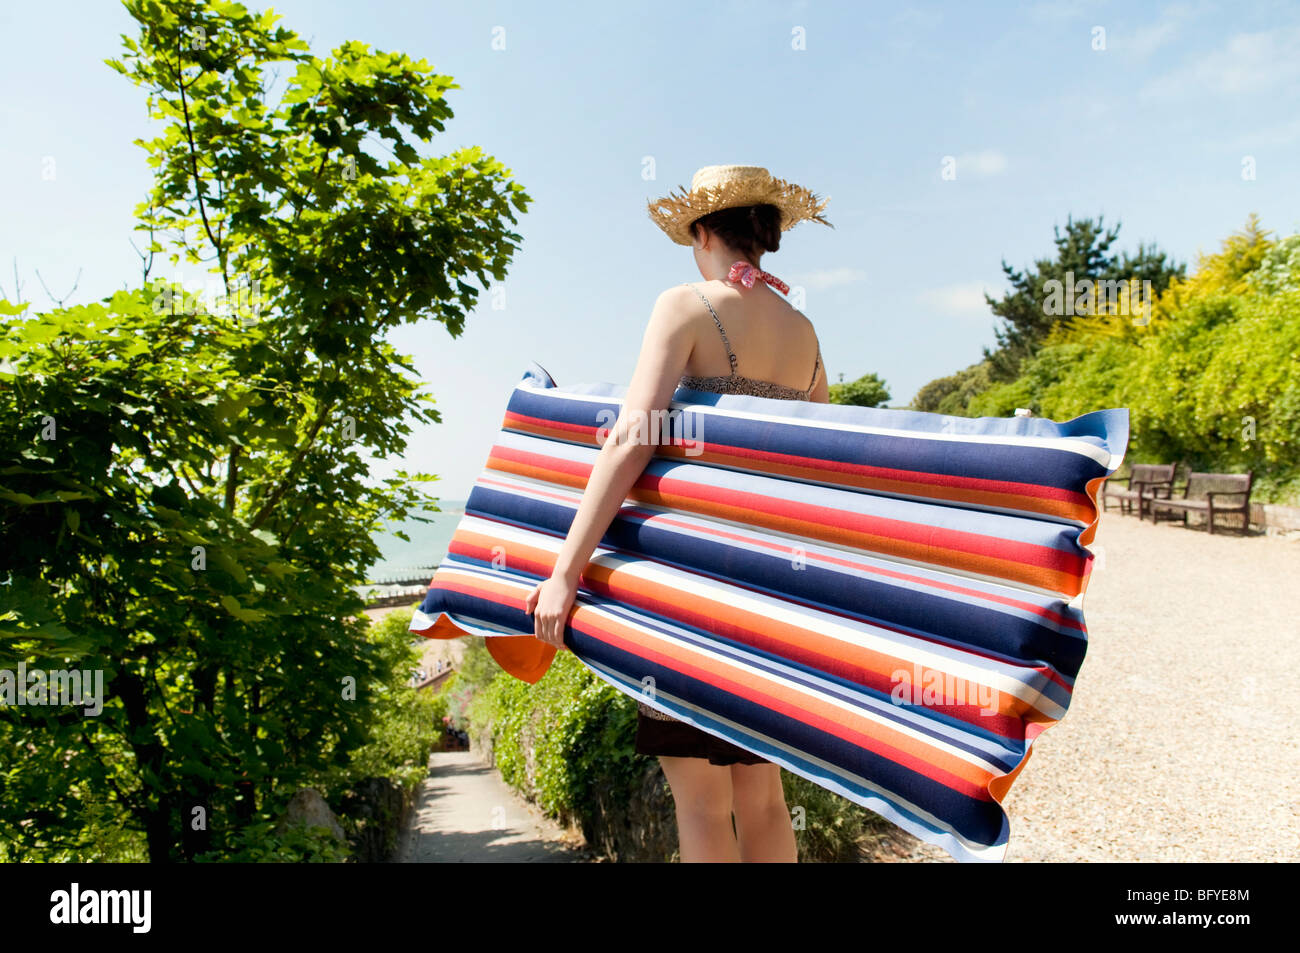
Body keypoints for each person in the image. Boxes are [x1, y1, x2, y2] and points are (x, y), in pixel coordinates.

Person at [525, 165, 833, 863]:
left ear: (702, 231)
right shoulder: (805, 331)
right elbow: (819, 465)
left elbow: (633, 437)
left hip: (691, 591)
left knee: (699, 803)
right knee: (764, 798)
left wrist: (564, 572)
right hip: (773, 594)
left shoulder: (685, 304)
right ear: (765, 234)